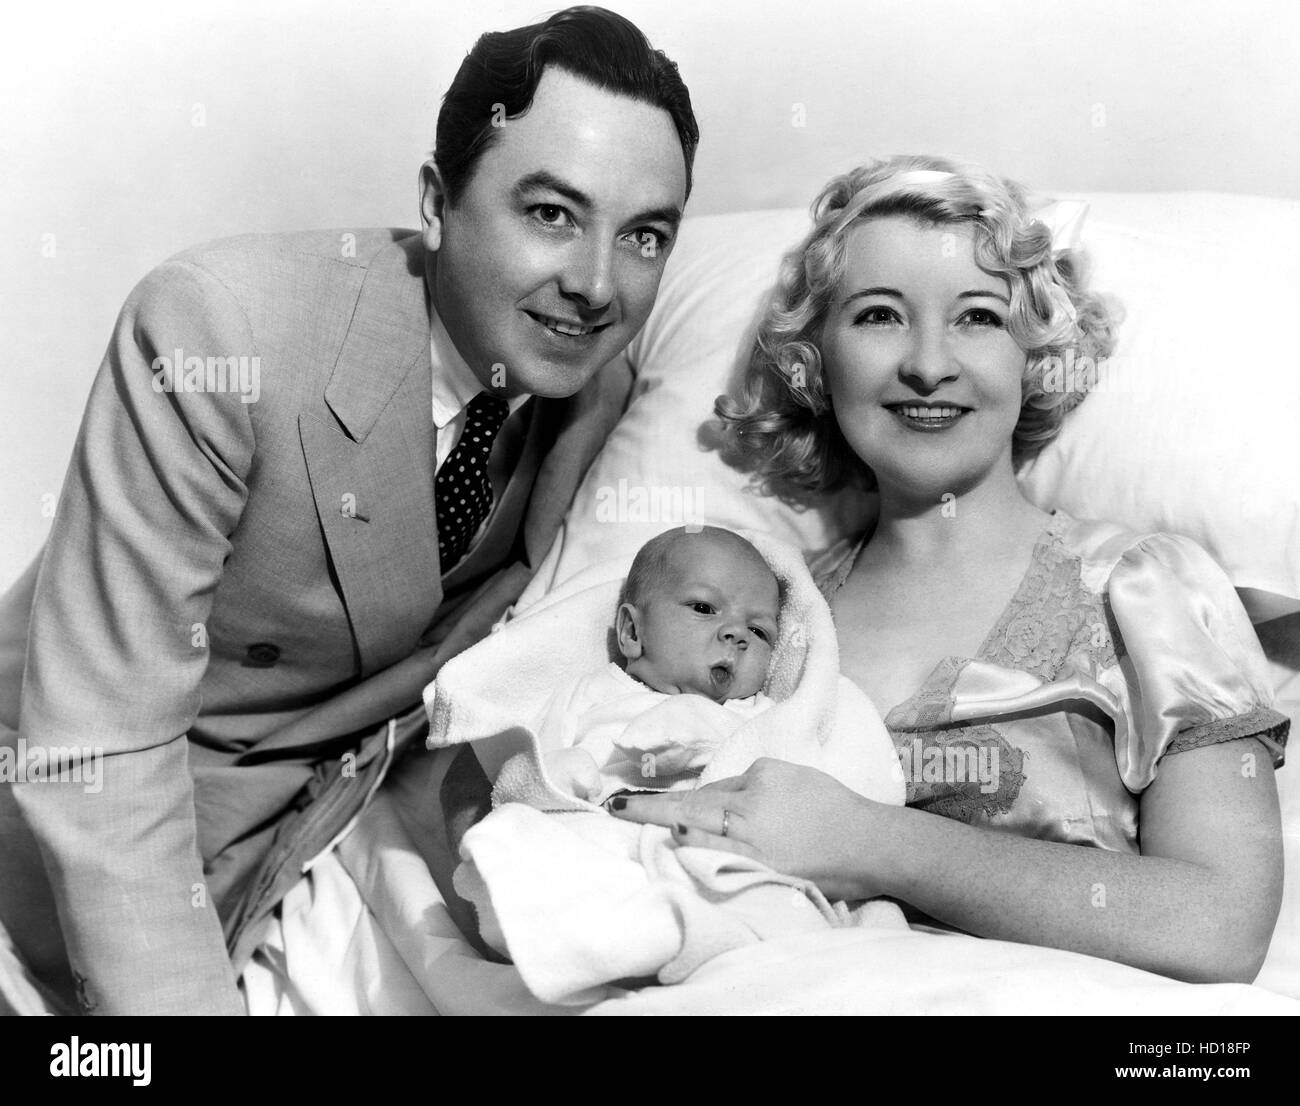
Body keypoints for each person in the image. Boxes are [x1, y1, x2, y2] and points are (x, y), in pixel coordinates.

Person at [0, 5, 697, 1015]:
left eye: (642, 235)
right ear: (435, 200)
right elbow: (97, 750)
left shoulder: (595, 393)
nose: (594, 282)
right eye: (550, 213)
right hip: (44, 882)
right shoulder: (217, 331)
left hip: (256, 885)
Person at [612, 155, 1289, 984]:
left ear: (1034, 356)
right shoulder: (772, 615)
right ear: (818, 364)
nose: (929, 365)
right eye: (878, 316)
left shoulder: (1143, 588)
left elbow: (1221, 925)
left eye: (976, 316)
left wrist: (870, 842)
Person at [543, 526, 780, 804]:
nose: (738, 634)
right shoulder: (590, 693)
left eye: (758, 631)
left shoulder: (761, 718)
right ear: (632, 631)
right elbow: (534, 761)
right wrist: (554, 781)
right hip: (585, 826)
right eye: (704, 608)